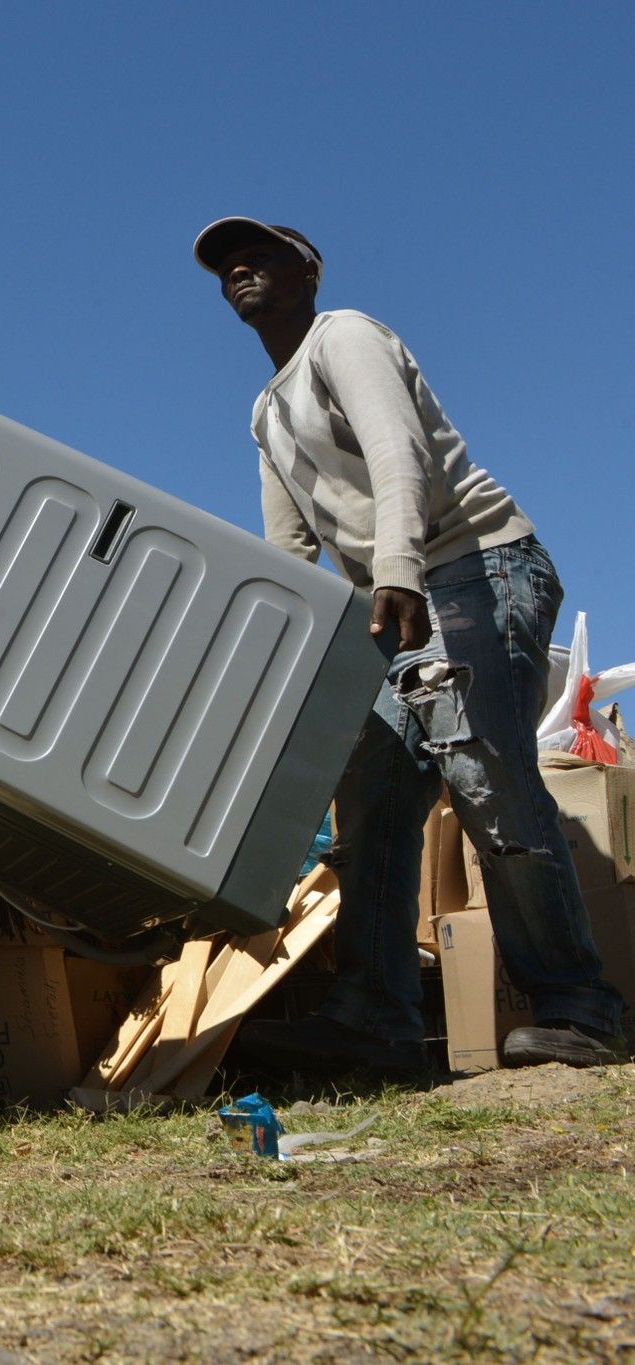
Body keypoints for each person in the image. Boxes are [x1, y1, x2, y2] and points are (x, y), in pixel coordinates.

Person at [193, 216, 627, 1077]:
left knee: (483, 769)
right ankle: (375, 1018)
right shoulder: (265, 410)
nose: (239, 267)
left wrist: (396, 566)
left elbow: (401, 449)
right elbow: (290, 553)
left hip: (475, 565)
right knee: (374, 798)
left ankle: (582, 1004)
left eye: (261, 254)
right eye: (223, 265)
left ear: (307, 270)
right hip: (396, 605)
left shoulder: (343, 334)